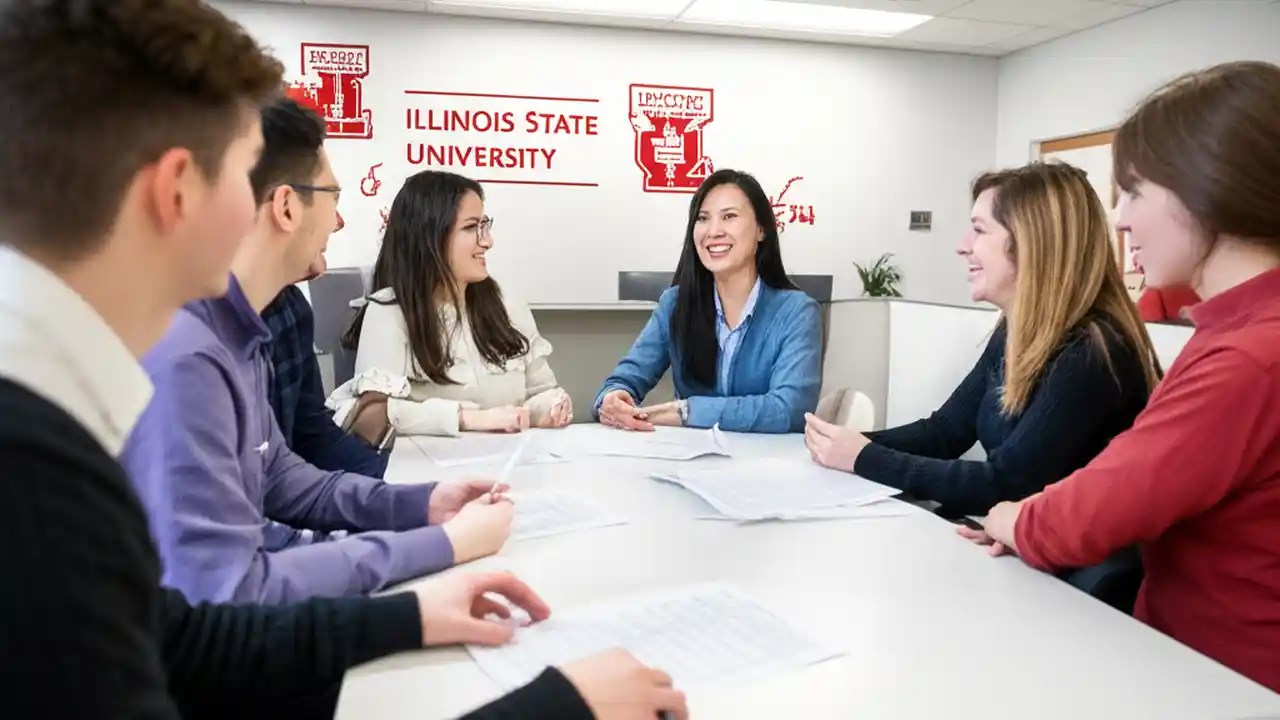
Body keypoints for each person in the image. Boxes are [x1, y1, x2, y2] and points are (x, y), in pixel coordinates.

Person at [0, 2, 689, 719]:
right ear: (177, 191)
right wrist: (560, 708)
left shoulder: (92, 389)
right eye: (243, 178)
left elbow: (188, 633)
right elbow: (222, 611)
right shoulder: (43, 462)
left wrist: (411, 609)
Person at [963, 61, 1280, 694]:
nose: (1120, 218)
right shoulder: (1233, 330)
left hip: (1215, 681)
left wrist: (1011, 519)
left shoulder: (1251, 353)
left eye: (1135, 191)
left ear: (1206, 188)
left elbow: (1100, 509)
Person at [121, 98, 514, 604]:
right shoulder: (186, 353)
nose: (340, 221)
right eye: (333, 196)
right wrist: (439, 545)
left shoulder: (240, 331)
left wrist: (424, 504)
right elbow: (232, 586)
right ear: (286, 206)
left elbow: (284, 478)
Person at [805, 162, 1161, 520]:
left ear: (1032, 242)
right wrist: (843, 445)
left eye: (978, 230)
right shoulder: (1016, 327)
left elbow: (1007, 484)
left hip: (1068, 573)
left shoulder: (1095, 351)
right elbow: (945, 433)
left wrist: (863, 456)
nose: (963, 247)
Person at [339, 170, 573, 438]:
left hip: (509, 465)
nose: (487, 241)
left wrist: (548, 408)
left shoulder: (506, 301)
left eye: (485, 226)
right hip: (427, 471)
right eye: (471, 227)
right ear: (430, 237)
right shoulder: (389, 312)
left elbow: (541, 392)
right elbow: (370, 418)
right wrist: (465, 418)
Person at [594, 169, 822, 434]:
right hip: (690, 464)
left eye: (729, 216)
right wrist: (613, 399)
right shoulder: (676, 304)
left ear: (761, 229)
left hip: (767, 466)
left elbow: (789, 410)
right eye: (703, 219)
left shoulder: (797, 311)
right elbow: (624, 378)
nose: (713, 231)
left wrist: (686, 411)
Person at [263, 264, 390, 477]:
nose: (337, 228)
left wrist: (403, 488)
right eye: (467, 228)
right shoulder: (205, 333)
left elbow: (313, 436)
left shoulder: (289, 308)